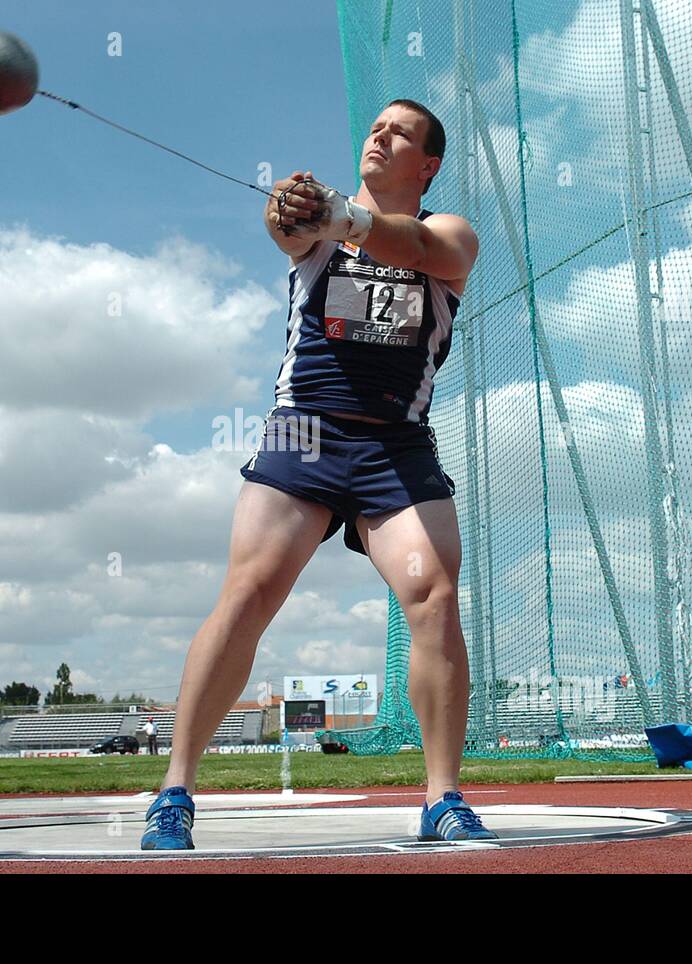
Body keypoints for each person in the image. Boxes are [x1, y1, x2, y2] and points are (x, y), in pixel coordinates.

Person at [142, 100, 495, 850]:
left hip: (396, 445)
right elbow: (287, 229)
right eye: (375, 127)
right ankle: (173, 791)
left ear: (427, 164)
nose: (380, 135)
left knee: (433, 596)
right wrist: (289, 210)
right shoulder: (318, 227)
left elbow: (422, 249)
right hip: (305, 430)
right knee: (250, 590)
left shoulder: (450, 235)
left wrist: (345, 221)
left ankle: (443, 798)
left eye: (400, 132)